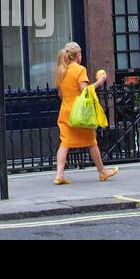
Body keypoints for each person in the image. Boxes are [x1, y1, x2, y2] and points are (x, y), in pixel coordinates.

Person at [53, 41, 118, 185]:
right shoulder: (79, 70)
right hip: (80, 113)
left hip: (65, 112)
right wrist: (100, 81)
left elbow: (60, 94)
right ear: (77, 55)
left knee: (64, 143)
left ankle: (59, 175)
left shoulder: (61, 70)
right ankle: (102, 172)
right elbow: (85, 90)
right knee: (91, 142)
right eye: (81, 53)